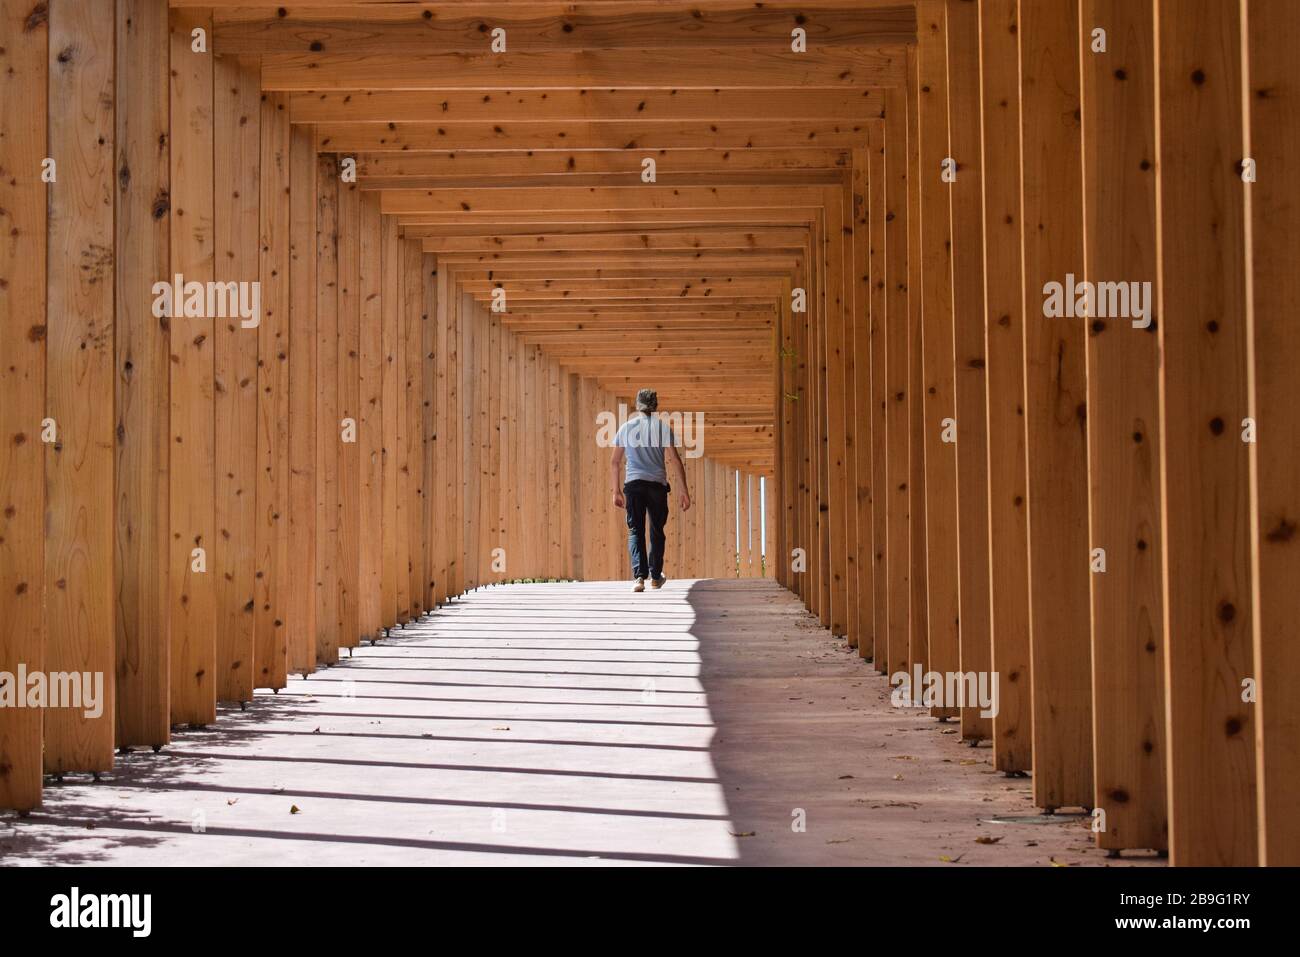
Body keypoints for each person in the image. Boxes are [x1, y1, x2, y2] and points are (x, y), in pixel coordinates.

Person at [611, 389, 691, 592]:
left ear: (638, 405)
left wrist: (616, 490)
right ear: (655, 406)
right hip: (657, 485)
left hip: (634, 485)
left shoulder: (626, 428)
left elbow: (615, 461)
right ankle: (655, 577)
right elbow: (674, 460)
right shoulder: (662, 428)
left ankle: (639, 577)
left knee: (635, 530)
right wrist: (684, 491)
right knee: (656, 530)